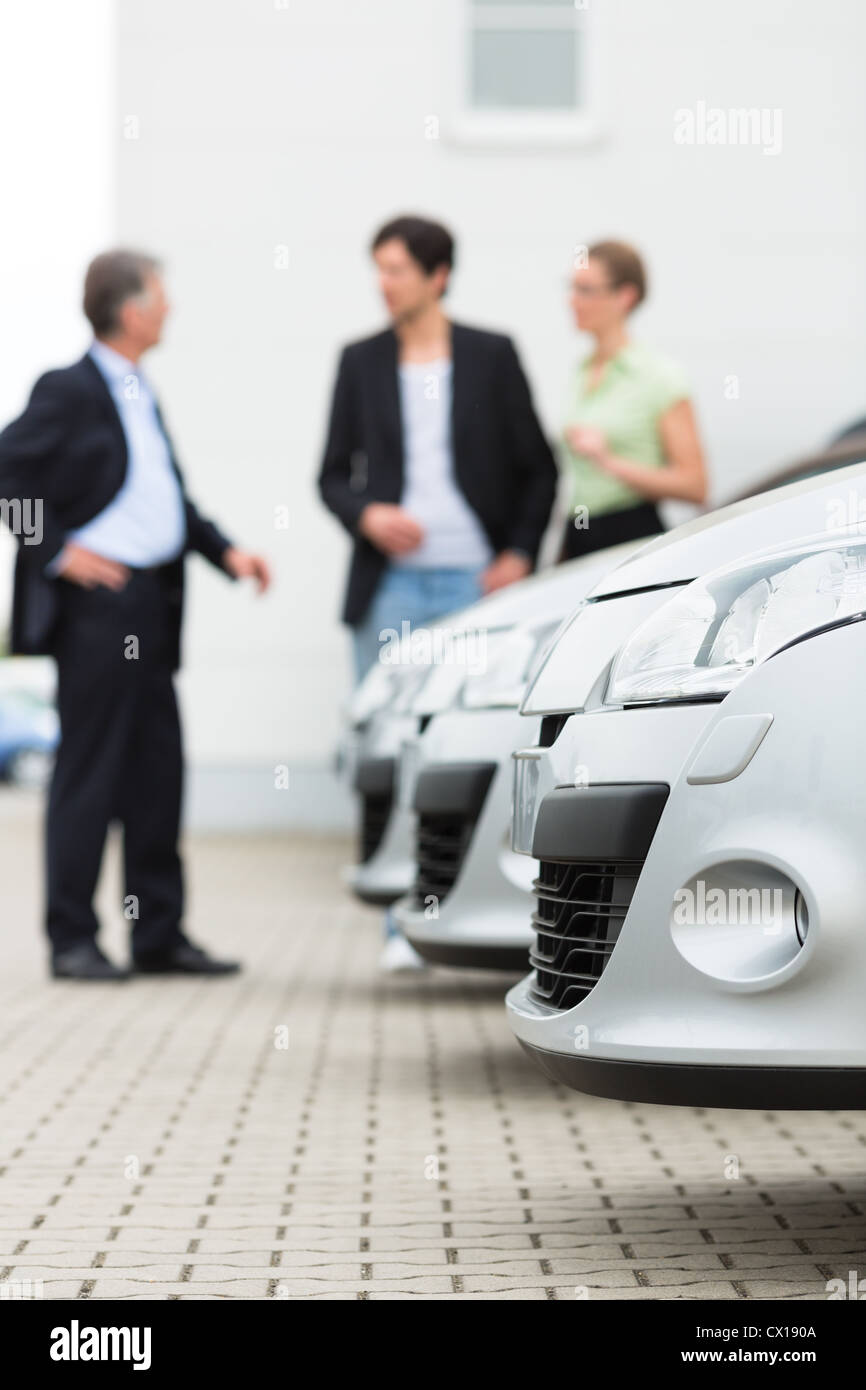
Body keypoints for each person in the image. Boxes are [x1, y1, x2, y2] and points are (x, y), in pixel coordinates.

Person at [0, 249, 271, 981]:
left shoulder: (140, 391)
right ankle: (73, 939)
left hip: (154, 603)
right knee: (90, 772)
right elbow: (6, 471)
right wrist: (57, 552)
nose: (171, 309)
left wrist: (228, 553)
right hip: (99, 609)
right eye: (163, 298)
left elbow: (165, 502)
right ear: (132, 309)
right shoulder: (69, 387)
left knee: (157, 770)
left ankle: (157, 935)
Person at [318, 214, 557, 681]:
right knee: (381, 733)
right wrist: (368, 515)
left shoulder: (492, 355)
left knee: (475, 731)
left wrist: (520, 555)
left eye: (396, 270)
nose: (382, 283)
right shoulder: (360, 360)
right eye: (379, 270)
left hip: (477, 582)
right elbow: (331, 476)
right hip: (389, 588)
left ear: (438, 276)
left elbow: (540, 469)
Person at [559, 240, 707, 561]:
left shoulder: (659, 376)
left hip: (628, 532)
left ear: (625, 296)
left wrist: (609, 461)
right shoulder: (582, 371)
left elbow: (695, 485)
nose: (572, 300)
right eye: (571, 288)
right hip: (579, 533)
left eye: (585, 290)